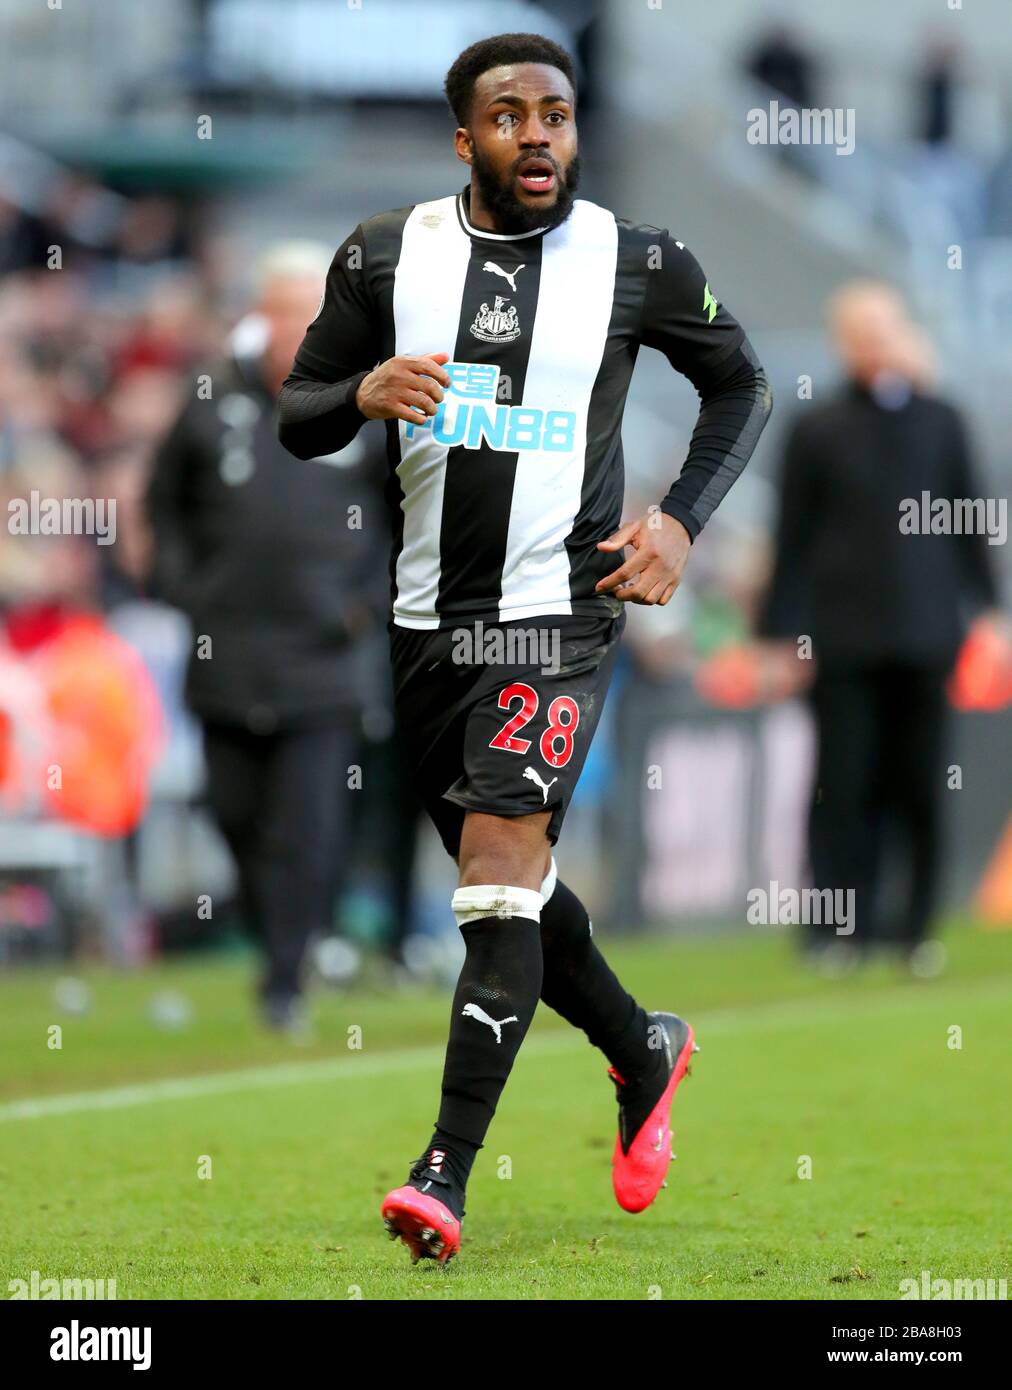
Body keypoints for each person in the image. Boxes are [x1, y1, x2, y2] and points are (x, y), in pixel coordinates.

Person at [278, 32, 771, 1262]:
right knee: (520, 902)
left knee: (497, 873)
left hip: (559, 618)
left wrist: (675, 520)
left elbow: (742, 385)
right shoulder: (386, 253)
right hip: (425, 624)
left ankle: (441, 1172)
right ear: (466, 138)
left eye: (556, 113)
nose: (538, 134)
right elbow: (296, 412)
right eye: (509, 116)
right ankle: (640, 1046)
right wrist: (358, 397)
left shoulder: (636, 259)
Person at [146, 243, 388, 1032]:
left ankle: (286, 980)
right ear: (259, 316)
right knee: (233, 813)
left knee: (309, 826)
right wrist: (185, 589)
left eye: (310, 310)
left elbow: (408, 516)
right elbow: (164, 504)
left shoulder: (368, 401)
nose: (296, 325)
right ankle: (279, 940)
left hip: (323, 659)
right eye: (282, 309)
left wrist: (364, 603)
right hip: (226, 654)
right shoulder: (212, 395)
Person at [758, 282, 999, 973]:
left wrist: (987, 613)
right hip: (840, 641)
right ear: (843, 341)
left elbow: (968, 524)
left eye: (885, 328)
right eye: (861, 331)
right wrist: (784, 635)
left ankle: (911, 930)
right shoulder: (817, 427)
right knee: (842, 784)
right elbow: (792, 538)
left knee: (918, 784)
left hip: (927, 638)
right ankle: (838, 931)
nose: (875, 343)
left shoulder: (942, 420)